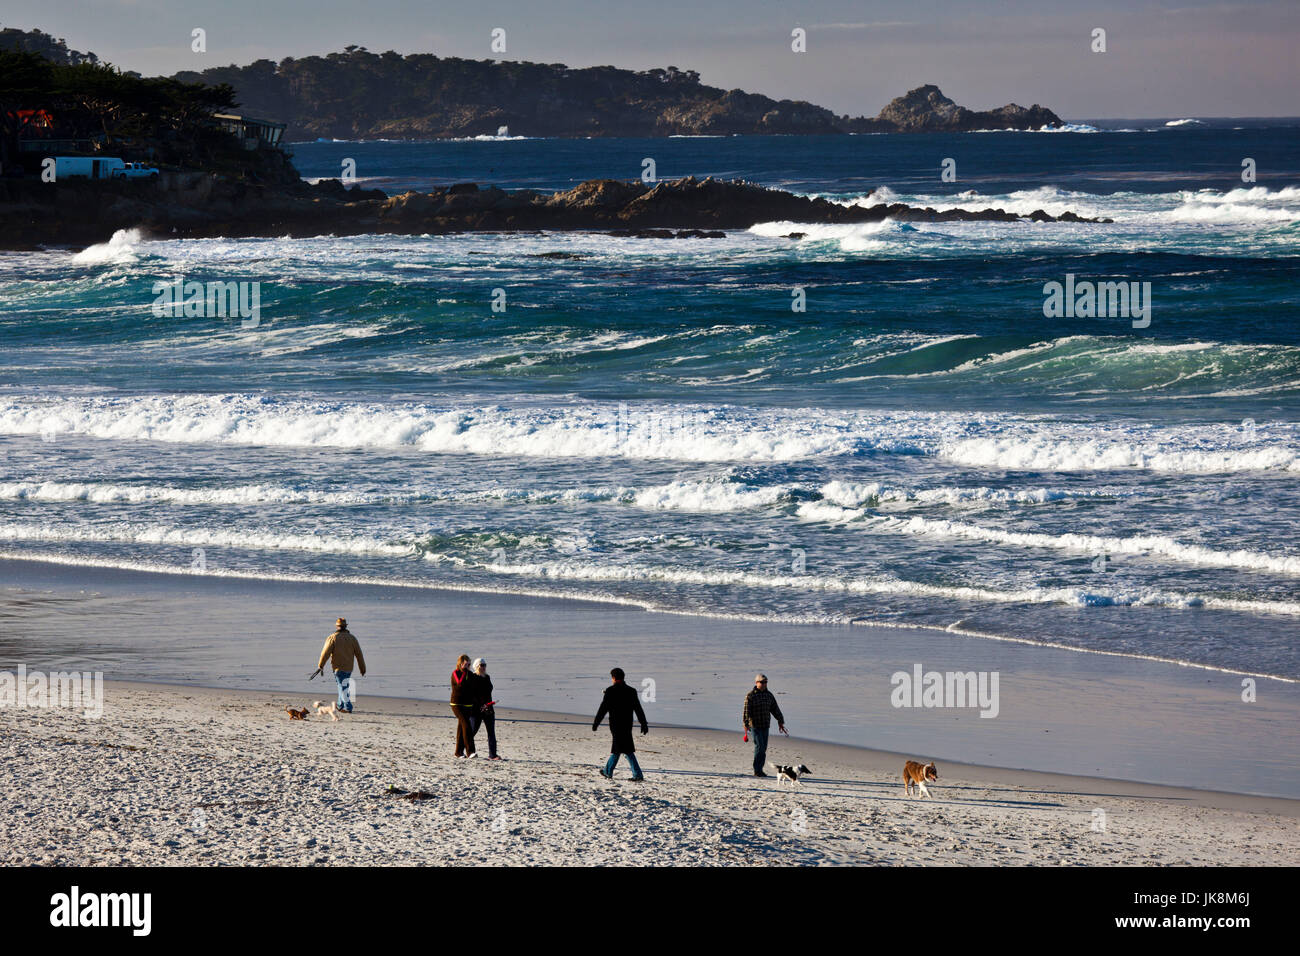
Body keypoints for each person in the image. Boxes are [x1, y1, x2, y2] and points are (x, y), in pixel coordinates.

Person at [592, 667, 648, 781]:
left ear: (613, 678)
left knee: (621, 749)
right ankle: (609, 771)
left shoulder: (610, 691)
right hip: (627, 725)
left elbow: (602, 709)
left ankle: (635, 774)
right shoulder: (631, 691)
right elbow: (638, 709)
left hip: (615, 725)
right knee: (623, 748)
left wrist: (596, 723)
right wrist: (643, 723)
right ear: (623, 677)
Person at [316, 617, 366, 714]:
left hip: (338, 667)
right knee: (343, 685)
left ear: (337, 626)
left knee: (342, 687)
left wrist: (320, 665)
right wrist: (362, 668)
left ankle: (348, 707)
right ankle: (339, 705)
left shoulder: (332, 638)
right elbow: (359, 654)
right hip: (349, 668)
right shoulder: (352, 638)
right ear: (345, 626)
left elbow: (325, 653)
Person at [742, 673, 788, 777]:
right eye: (762, 682)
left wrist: (780, 720)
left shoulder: (769, 695)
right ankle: (757, 770)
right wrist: (745, 723)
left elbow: (775, 709)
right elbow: (746, 711)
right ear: (756, 683)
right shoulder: (750, 695)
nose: (764, 684)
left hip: (765, 725)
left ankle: (760, 769)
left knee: (764, 748)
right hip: (755, 726)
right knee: (759, 746)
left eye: (765, 682)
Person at [468, 658, 500, 760]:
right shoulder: (473, 677)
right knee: (472, 731)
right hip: (477, 710)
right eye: (481, 665)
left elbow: (488, 691)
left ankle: (493, 755)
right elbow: (471, 694)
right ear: (477, 666)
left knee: (491, 732)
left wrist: (488, 704)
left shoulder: (487, 677)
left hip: (489, 709)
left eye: (485, 665)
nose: (484, 667)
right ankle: (462, 750)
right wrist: (480, 704)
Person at [449, 654, 478, 757]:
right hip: (456, 703)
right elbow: (460, 683)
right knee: (467, 725)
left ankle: (458, 752)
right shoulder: (455, 673)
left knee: (461, 727)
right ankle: (470, 751)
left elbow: (474, 689)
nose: (468, 666)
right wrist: (464, 671)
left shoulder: (470, 674)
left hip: (468, 705)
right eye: (466, 664)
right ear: (461, 664)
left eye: (469, 664)